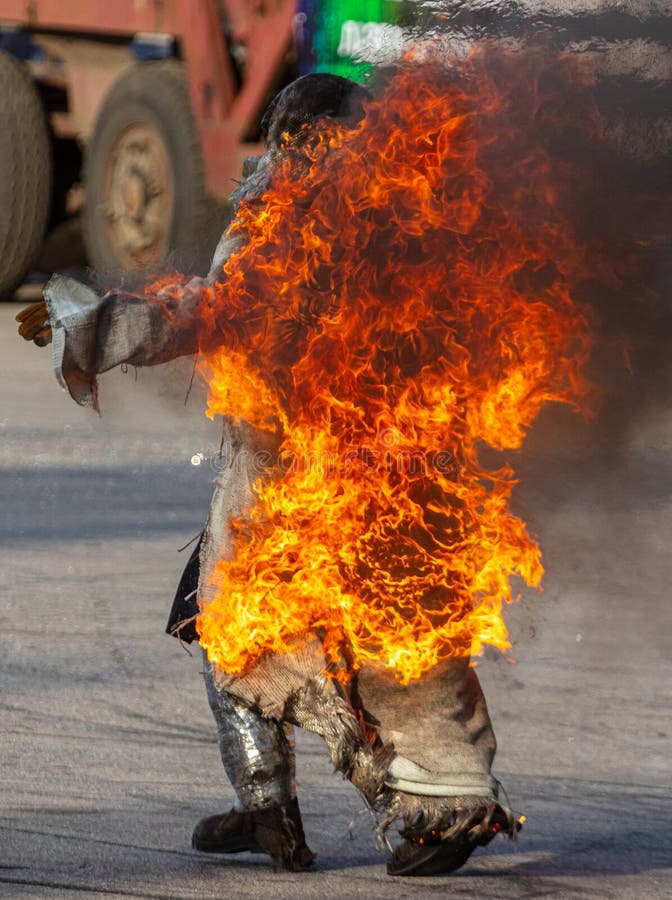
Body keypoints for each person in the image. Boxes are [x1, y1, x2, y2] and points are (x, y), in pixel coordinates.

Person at [17, 72, 517, 876]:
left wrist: (95, 323)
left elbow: (210, 313)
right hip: (410, 467)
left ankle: (273, 811)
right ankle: (441, 800)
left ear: (288, 144)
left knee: (235, 636)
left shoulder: (279, 225)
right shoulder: (415, 216)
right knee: (409, 636)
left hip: (292, 477)